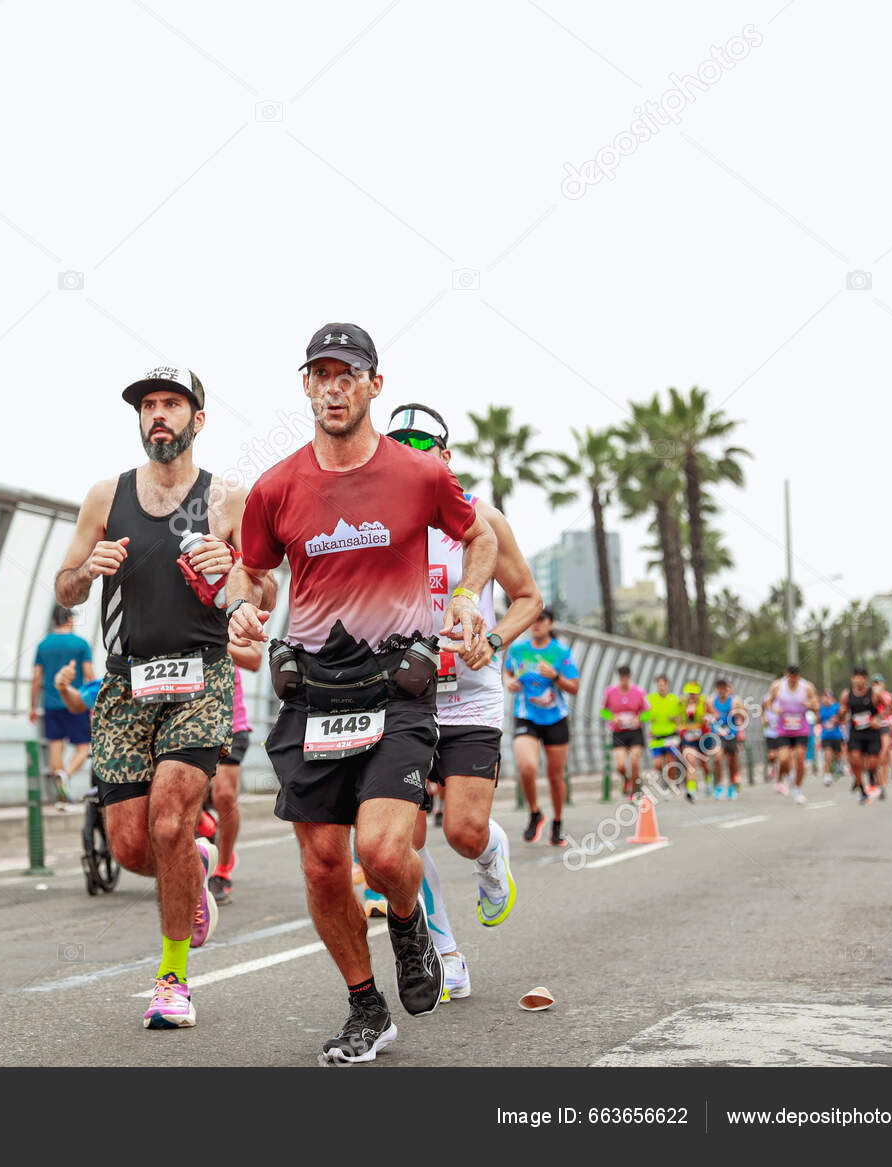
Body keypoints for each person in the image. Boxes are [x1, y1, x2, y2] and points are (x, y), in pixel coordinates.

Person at [224, 323, 497, 1064]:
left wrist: (468, 597)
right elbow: (252, 571)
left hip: (397, 688)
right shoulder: (276, 486)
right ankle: (366, 1007)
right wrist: (243, 602)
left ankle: (408, 922)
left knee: (381, 851)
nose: (334, 386)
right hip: (312, 694)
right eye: (321, 373)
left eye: (349, 373)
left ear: (375, 385)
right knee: (320, 865)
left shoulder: (418, 474)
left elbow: (480, 535)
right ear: (306, 386)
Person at [53, 364, 253, 1031]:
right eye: (148, 406)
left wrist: (237, 577)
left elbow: (263, 590)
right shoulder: (106, 497)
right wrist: (88, 570)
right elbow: (63, 587)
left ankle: (172, 979)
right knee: (134, 844)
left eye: (171, 404)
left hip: (200, 674)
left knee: (170, 818)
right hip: (124, 684)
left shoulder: (227, 498)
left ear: (197, 419)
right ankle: (189, 867)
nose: (157, 415)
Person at [387, 404, 540, 1003]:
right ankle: (445, 951)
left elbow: (528, 597)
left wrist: (494, 640)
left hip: (470, 700)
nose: (415, 456)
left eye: (426, 446)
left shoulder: (480, 519)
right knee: (404, 838)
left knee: (463, 829)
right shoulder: (380, 526)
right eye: (401, 447)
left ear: (446, 458)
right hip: (406, 700)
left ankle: (491, 852)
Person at [506, 608, 581, 844]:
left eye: (541, 620)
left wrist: (556, 677)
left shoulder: (561, 652)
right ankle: (535, 812)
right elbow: (507, 672)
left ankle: (557, 822)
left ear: (551, 623)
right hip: (526, 716)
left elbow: (574, 687)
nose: (536, 624)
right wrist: (510, 682)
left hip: (555, 719)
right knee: (527, 767)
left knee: (555, 776)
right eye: (533, 620)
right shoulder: (518, 650)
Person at [30, 605, 94, 807]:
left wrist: (32, 706)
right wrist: (93, 703)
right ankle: (66, 775)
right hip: (75, 702)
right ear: (68, 619)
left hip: (50, 704)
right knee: (83, 747)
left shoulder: (43, 645)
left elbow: (37, 679)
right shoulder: (80, 644)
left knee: (56, 746)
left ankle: (61, 792)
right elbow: (90, 675)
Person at [208, 669, 253, 905]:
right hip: (188, 725)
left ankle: (223, 869)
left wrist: (219, 639)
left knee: (225, 795)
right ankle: (207, 829)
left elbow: (255, 659)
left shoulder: (232, 630)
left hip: (231, 725)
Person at [765, 664, 818, 805]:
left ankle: (797, 789)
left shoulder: (807, 687)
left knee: (800, 758)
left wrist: (810, 704)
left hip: (801, 729)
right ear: (786, 675)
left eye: (795, 678)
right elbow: (768, 703)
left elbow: (816, 704)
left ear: (798, 677)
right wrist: (775, 710)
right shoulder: (778, 686)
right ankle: (790, 776)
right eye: (790, 678)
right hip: (784, 729)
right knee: (783, 759)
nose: (792, 681)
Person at [601, 666, 649, 799]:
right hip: (618, 732)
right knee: (620, 766)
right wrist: (612, 718)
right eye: (622, 678)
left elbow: (648, 712)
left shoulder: (639, 692)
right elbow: (603, 710)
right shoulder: (610, 692)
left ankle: (634, 792)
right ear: (619, 678)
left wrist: (638, 718)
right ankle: (626, 779)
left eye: (626, 678)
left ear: (630, 677)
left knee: (634, 762)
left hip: (635, 732)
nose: (624, 681)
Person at [841, 668, 885, 804]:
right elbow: (842, 712)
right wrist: (841, 713)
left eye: (861, 678)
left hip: (872, 732)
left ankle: (872, 777)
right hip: (856, 733)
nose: (859, 680)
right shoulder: (847, 695)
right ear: (852, 679)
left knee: (872, 764)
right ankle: (862, 791)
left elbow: (886, 707)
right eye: (856, 677)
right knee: (855, 760)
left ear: (865, 679)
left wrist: (878, 718)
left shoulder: (874, 694)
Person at [644, 675, 683, 795]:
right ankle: (664, 779)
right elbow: (644, 715)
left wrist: (676, 721)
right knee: (657, 764)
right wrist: (649, 718)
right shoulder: (650, 699)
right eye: (658, 685)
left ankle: (671, 783)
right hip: (657, 736)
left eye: (662, 685)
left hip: (670, 735)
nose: (660, 687)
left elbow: (681, 717)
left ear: (667, 685)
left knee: (671, 762)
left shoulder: (674, 699)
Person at [709, 678, 743, 799]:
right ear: (717, 689)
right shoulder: (712, 701)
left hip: (732, 735)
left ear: (726, 689)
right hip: (718, 735)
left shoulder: (734, 701)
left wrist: (737, 713)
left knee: (732, 762)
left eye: (724, 689)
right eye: (719, 689)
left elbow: (744, 715)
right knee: (717, 758)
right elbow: (707, 715)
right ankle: (719, 785)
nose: (721, 691)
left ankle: (732, 785)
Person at [816, 684, 845, 783]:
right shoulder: (820, 708)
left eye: (827, 696)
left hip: (836, 735)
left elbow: (843, 719)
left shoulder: (837, 707)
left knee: (837, 755)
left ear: (831, 697)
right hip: (825, 736)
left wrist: (838, 718)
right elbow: (818, 721)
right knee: (827, 755)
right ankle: (827, 775)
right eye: (824, 696)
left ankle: (836, 765)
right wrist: (818, 718)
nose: (826, 699)